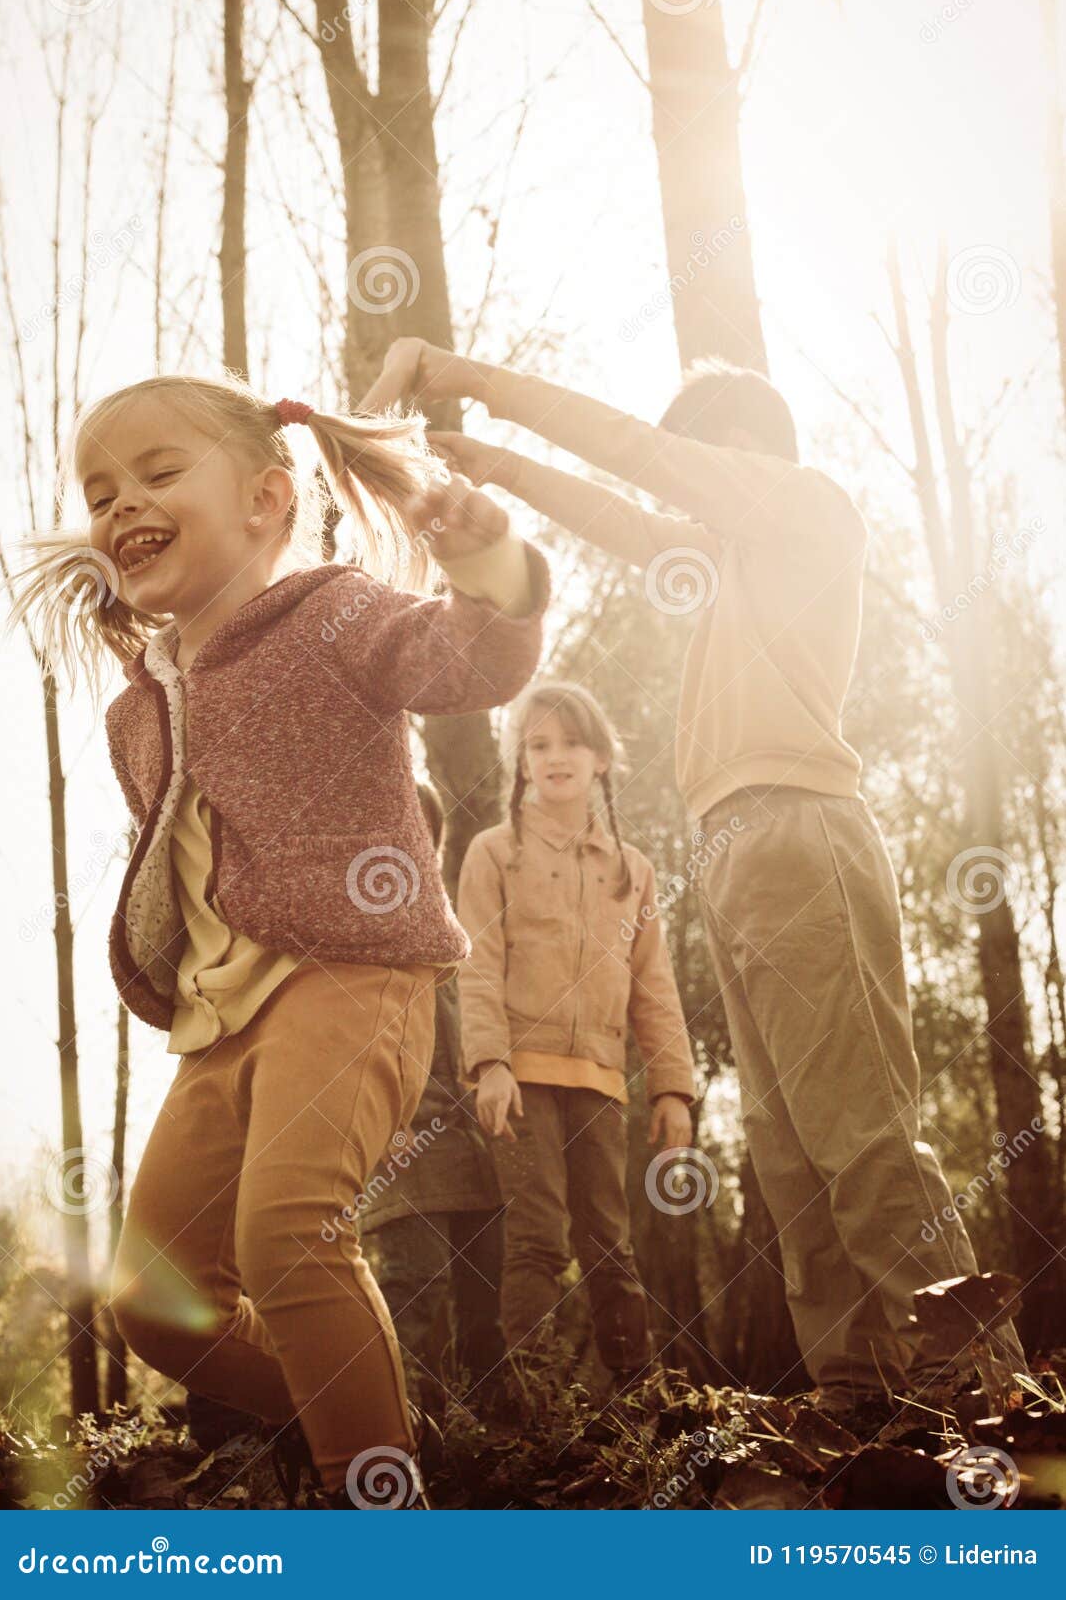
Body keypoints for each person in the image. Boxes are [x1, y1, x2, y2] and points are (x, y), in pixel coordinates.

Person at [362, 339, 1026, 1415]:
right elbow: (619, 517)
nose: (673, 472)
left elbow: (636, 460)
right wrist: (481, 461)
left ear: (744, 452)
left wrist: (470, 376)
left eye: (694, 453)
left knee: (861, 1139)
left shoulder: (810, 509)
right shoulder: (727, 560)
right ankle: (861, 1405)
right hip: (740, 856)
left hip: (801, 831)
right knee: (787, 1158)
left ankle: (986, 1410)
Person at [10, 372, 550, 1508]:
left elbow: (474, 662)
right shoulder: (134, 707)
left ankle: (381, 1510)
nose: (121, 507)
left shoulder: (333, 612)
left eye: (158, 475)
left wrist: (486, 562)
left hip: (348, 978)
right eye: (101, 492)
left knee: (287, 1235)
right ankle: (369, 1427)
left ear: (265, 500)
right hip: (218, 1021)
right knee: (155, 1296)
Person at [455, 678, 697, 1396]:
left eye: (570, 742)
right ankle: (531, 1408)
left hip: (597, 1078)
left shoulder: (632, 870)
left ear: (601, 759)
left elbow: (654, 986)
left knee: (609, 1244)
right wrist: (490, 1062)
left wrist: (672, 1088)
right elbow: (477, 965)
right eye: (538, 744)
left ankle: (635, 1401)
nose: (554, 756)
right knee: (536, 1238)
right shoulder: (493, 853)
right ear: (521, 761)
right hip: (520, 1077)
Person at [358, 779, 506, 1422]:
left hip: (469, 1149)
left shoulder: (457, 938)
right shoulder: (355, 940)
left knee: (484, 1310)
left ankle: (495, 1444)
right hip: (397, 1148)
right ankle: (396, 1433)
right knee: (414, 1291)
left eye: (422, 837)